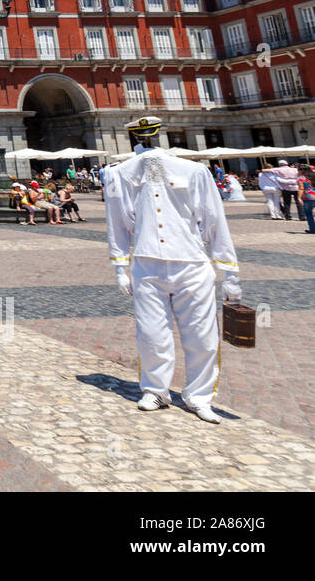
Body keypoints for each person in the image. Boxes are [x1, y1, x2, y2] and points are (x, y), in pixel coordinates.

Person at [107, 116, 241, 424]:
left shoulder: (194, 171)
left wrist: (229, 270)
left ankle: (199, 396)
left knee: (203, 337)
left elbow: (214, 219)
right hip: (146, 263)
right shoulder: (119, 174)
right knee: (151, 335)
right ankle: (156, 389)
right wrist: (119, 266)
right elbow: (117, 224)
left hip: (191, 263)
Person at [298, 166, 315, 234]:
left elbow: (301, 189)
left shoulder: (301, 179)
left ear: (302, 171)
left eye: (298, 170)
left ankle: (312, 229)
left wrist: (299, 197)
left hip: (308, 197)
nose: (298, 171)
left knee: (308, 213)